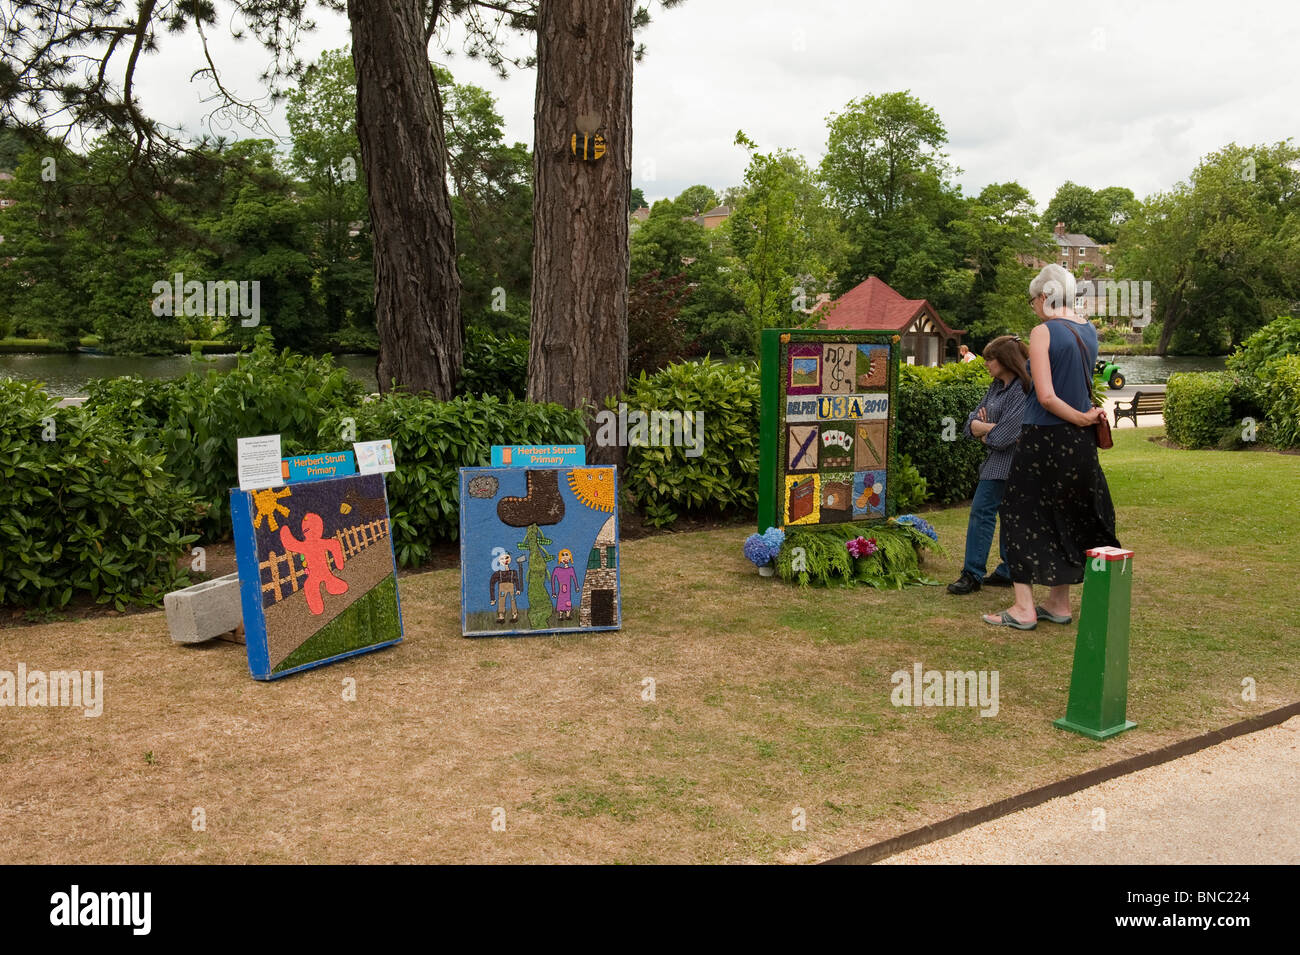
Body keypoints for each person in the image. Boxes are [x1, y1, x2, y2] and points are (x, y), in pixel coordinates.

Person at [983, 264, 1120, 630]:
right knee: (1068, 514)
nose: (1033, 308)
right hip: (1080, 444)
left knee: (1017, 513)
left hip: (1045, 436)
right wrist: (1086, 421)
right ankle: (1058, 604)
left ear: (1044, 297)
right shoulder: (1088, 330)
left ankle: (1023, 608)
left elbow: (1045, 396)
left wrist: (1077, 417)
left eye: (1033, 301)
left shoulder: (1042, 332)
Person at [948, 335, 1031, 595]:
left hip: (1014, 465)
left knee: (987, 514)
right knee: (997, 515)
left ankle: (974, 574)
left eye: (990, 358)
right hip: (995, 463)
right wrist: (987, 429)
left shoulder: (1021, 389)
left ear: (1006, 360)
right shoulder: (996, 386)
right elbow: (969, 423)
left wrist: (986, 432)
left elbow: (1008, 435)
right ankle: (1003, 570)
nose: (986, 363)